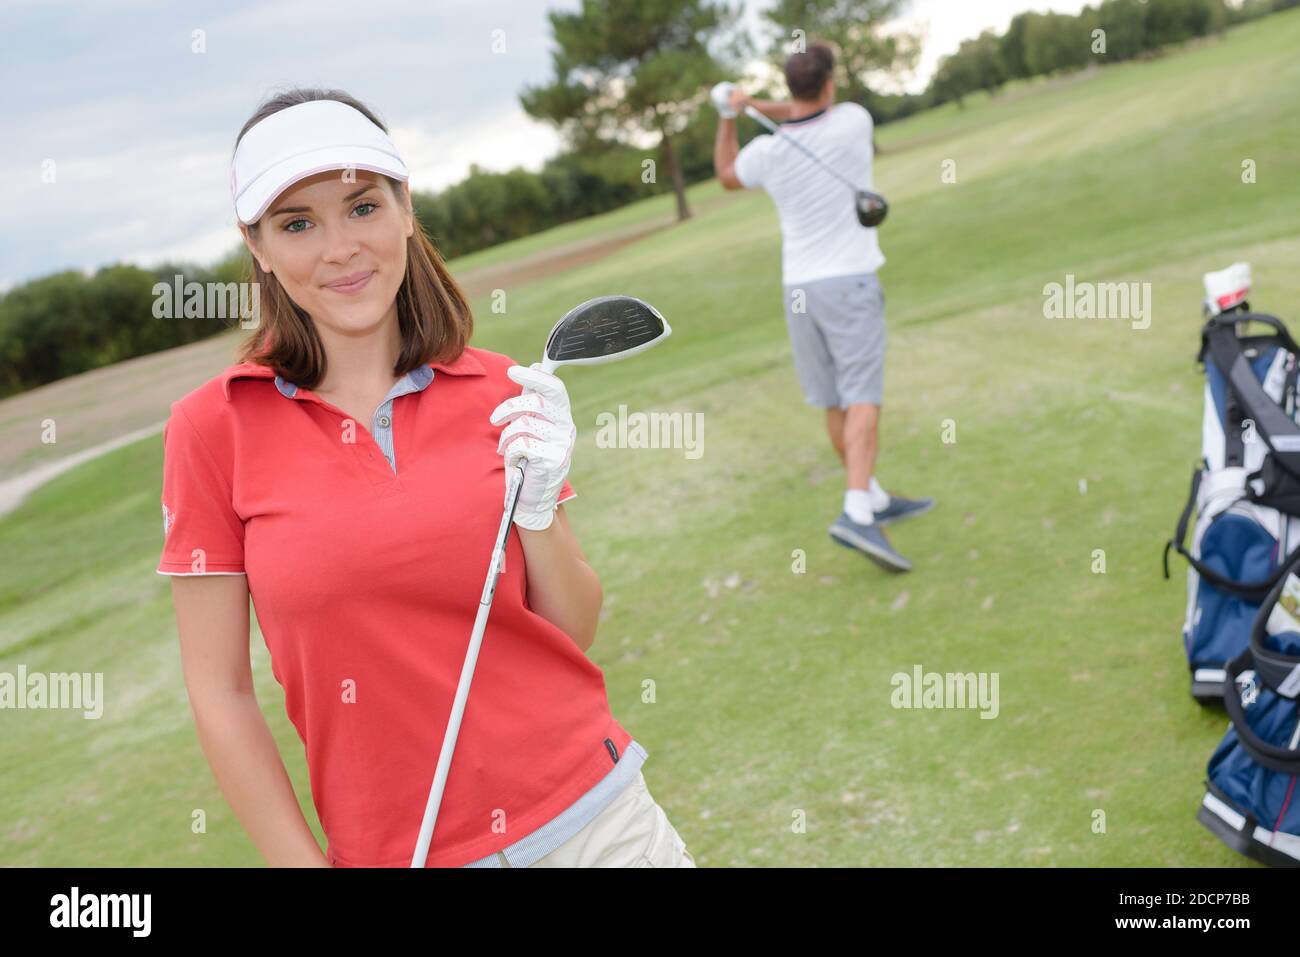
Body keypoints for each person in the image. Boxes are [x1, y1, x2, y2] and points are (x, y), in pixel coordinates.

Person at [156, 87, 696, 868]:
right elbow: (221, 694)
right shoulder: (211, 430)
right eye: (297, 222)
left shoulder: (501, 387)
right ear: (258, 247)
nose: (340, 247)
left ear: (406, 208)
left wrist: (538, 511)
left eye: (362, 206)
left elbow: (568, 633)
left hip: (601, 823)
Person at [712, 43, 933, 573]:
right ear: (830, 84)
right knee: (863, 398)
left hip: (799, 292)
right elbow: (805, 108)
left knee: (834, 400)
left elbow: (724, 172)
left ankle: (872, 496)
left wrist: (729, 114)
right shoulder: (854, 121)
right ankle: (856, 509)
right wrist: (754, 104)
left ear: (790, 88)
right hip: (849, 285)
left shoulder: (768, 153)